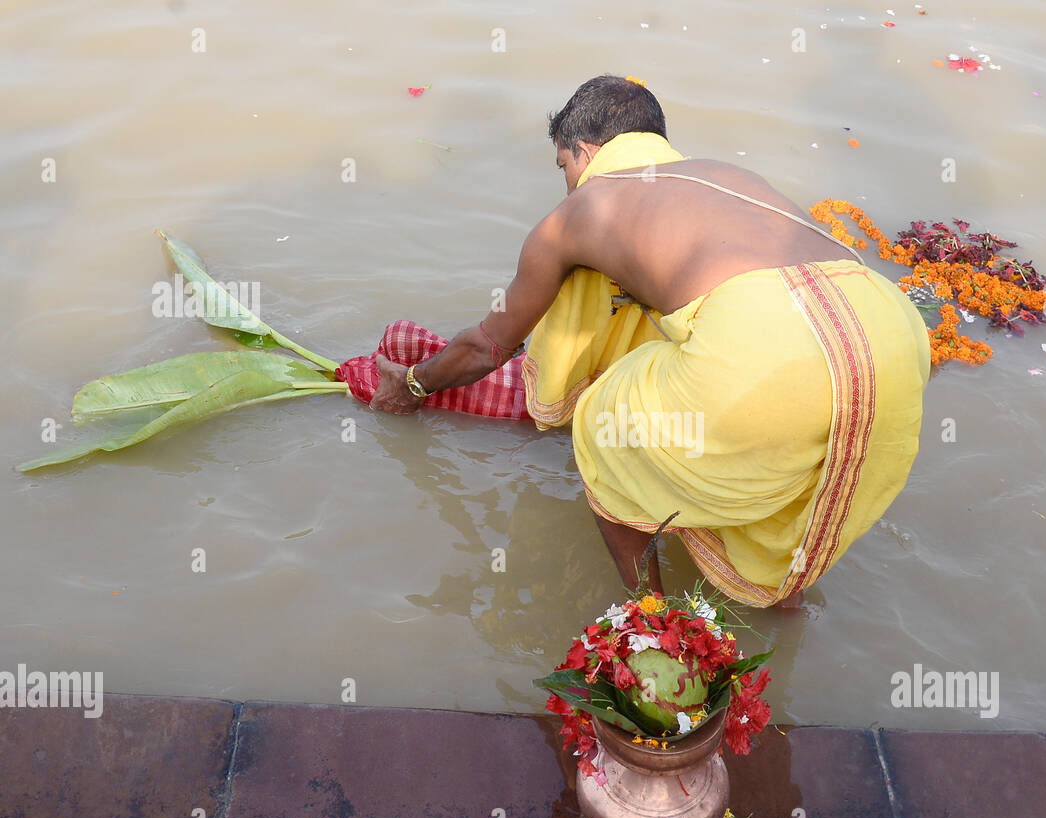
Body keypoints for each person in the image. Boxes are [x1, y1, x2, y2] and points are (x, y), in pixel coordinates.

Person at [369, 75, 930, 608]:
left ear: (584, 151)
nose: (566, 180)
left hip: (762, 343)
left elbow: (485, 347)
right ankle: (784, 610)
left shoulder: (579, 211)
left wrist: (414, 385)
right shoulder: (723, 175)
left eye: (562, 165)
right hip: (890, 329)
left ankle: (652, 620)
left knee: (604, 423)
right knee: (777, 453)